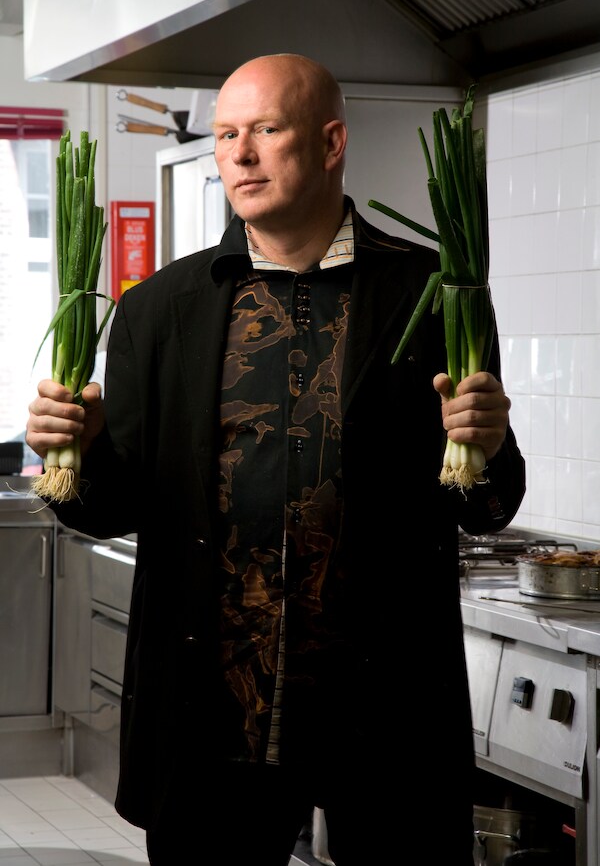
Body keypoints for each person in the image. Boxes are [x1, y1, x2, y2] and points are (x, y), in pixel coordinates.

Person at [26, 53, 526, 866]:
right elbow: (115, 505)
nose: (240, 154)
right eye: (227, 135)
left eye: (265, 130)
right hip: (212, 713)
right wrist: (72, 457)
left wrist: (493, 449)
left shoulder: (433, 292)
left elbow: (483, 502)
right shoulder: (160, 310)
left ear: (331, 143)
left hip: (384, 713)